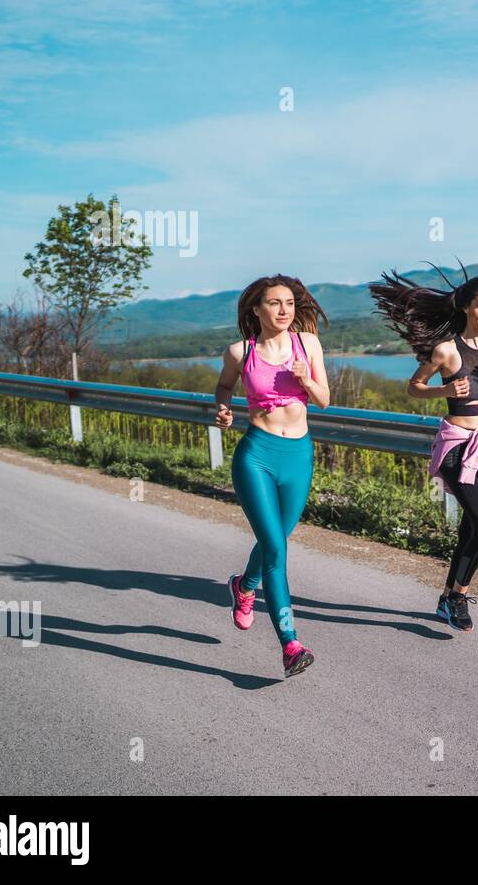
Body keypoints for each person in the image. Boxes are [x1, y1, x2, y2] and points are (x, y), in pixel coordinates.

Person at [369, 266, 478, 632]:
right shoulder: (446, 350)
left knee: (472, 528)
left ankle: (448, 598)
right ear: (465, 307)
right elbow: (414, 387)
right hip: (457, 447)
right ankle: (458, 596)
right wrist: (443, 391)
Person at [213, 275, 331, 676]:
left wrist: (305, 379)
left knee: (275, 541)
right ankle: (290, 644)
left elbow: (325, 400)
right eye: (275, 303)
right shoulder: (240, 351)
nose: (284, 310)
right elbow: (224, 387)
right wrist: (224, 409)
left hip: (298, 455)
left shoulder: (307, 345)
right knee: (277, 551)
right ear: (256, 310)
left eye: (290, 303)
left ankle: (244, 587)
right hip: (257, 456)